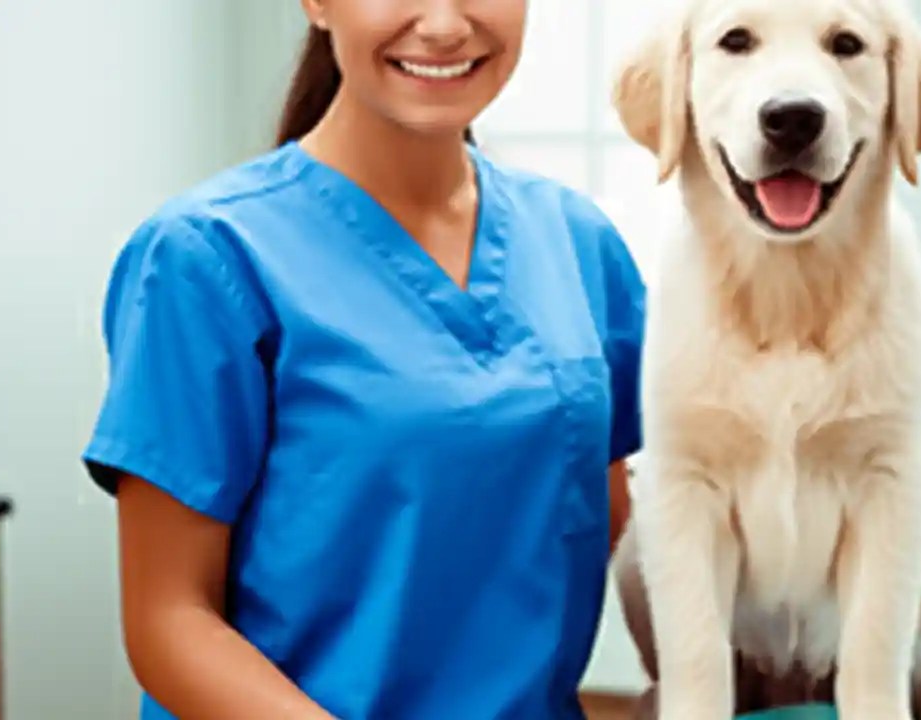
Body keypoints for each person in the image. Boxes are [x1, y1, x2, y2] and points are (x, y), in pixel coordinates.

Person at [80, 2, 645, 718]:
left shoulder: (577, 240)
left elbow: (608, 519)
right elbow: (170, 621)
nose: (443, 25)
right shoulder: (207, 255)